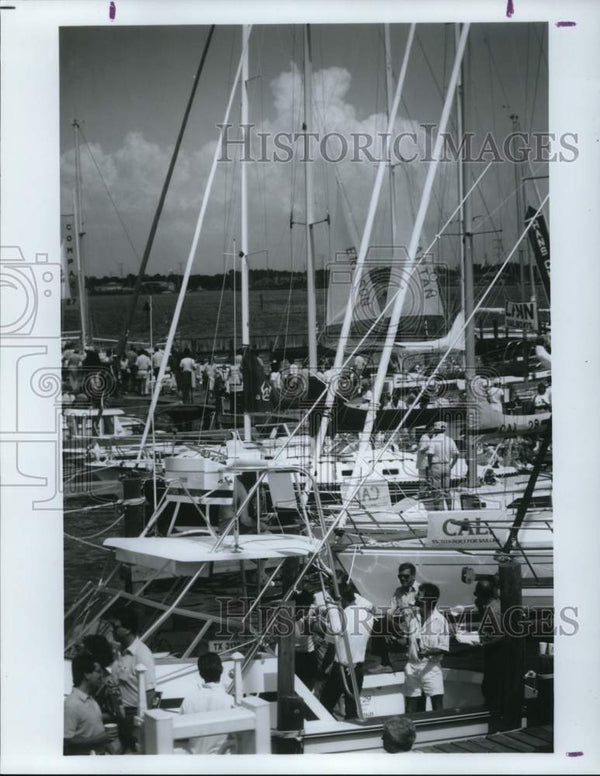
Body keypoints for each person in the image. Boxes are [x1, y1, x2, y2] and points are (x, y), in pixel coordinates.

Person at [320, 579, 374, 720]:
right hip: (358, 669)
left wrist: (331, 607)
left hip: (342, 670)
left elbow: (335, 634)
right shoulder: (369, 616)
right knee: (352, 708)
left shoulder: (340, 617)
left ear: (341, 600)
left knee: (324, 706)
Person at [107, 607, 156, 752]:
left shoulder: (142, 654)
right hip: (119, 715)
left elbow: (150, 693)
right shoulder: (119, 651)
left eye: (116, 627)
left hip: (133, 716)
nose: (112, 631)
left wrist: (138, 727)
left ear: (127, 629)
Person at [403, 583, 449, 713]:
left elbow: (444, 648)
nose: (416, 596)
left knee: (437, 705)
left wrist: (428, 652)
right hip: (412, 667)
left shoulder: (440, 621)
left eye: (419, 594)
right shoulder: (413, 617)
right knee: (411, 708)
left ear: (428, 600)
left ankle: (441, 731)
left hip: (431, 668)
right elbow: (408, 639)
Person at [179, 652, 235, 754]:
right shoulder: (229, 701)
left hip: (195, 761)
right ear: (221, 670)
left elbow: (181, 734)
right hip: (221, 761)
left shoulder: (189, 700)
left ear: (200, 674)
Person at [64, 653, 119, 755]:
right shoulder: (71, 704)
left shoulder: (91, 700)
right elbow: (66, 741)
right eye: (98, 672)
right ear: (87, 674)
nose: (101, 676)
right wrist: (97, 740)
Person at [473, 579, 506, 732]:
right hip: (494, 656)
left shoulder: (493, 610)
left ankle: (495, 726)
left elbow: (500, 636)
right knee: (490, 687)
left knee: (492, 689)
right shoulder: (491, 607)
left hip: (497, 657)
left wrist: (483, 643)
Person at [427, 421, 459, 510]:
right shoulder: (450, 440)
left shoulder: (433, 441)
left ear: (436, 430)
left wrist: (430, 467)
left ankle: (440, 511)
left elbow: (430, 454)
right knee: (447, 490)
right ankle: (450, 510)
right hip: (447, 466)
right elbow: (456, 454)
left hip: (436, 465)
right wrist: (452, 465)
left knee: (436, 490)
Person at [294, 590, 319, 691]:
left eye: (308, 607)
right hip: (295, 656)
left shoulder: (312, 610)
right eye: (304, 607)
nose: (306, 609)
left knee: (309, 687)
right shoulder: (288, 615)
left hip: (309, 654)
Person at [416, 425, 433, 501]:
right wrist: (431, 446)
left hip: (425, 462)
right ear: (429, 430)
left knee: (427, 479)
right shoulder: (425, 438)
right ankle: (422, 494)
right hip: (423, 462)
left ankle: (425, 493)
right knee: (424, 479)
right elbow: (422, 450)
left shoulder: (427, 438)